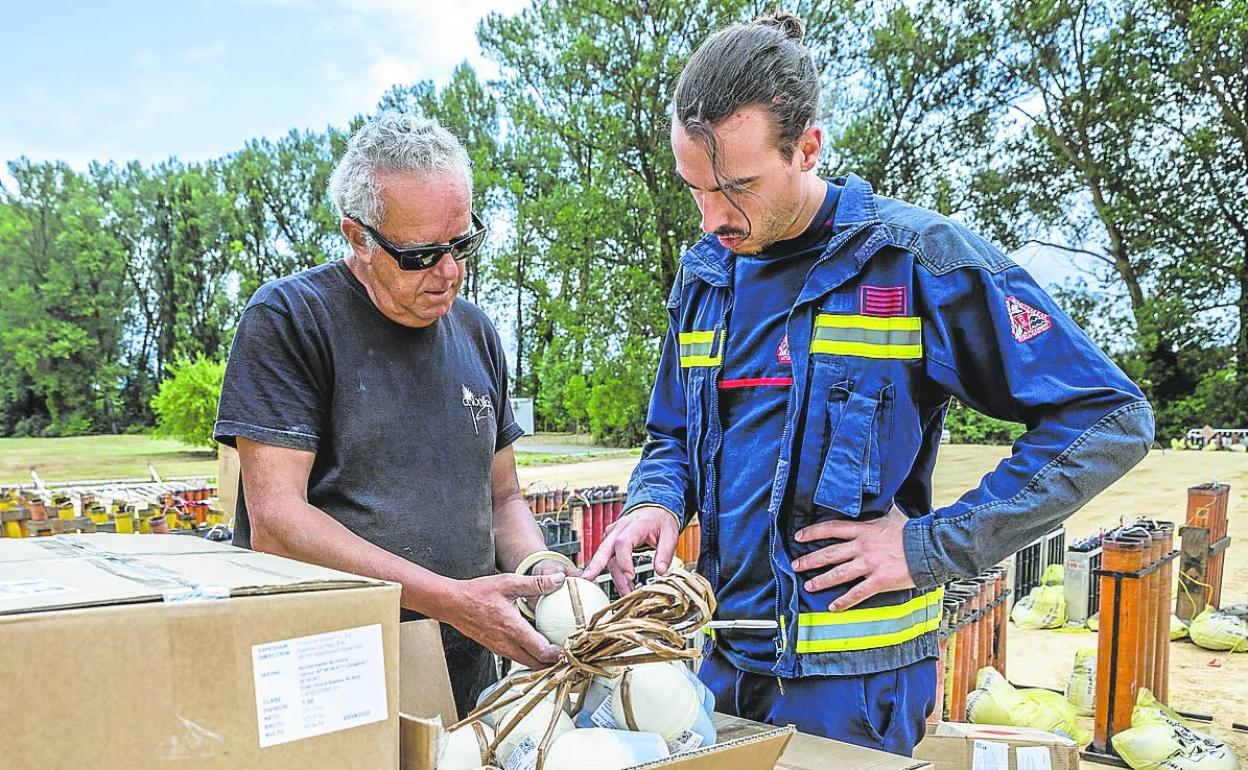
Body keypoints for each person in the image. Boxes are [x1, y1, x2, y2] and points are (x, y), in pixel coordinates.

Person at [584, 12, 1154, 755]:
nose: (715, 216)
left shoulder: (918, 261)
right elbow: (674, 436)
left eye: (740, 187)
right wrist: (655, 502)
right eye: (696, 188)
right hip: (719, 669)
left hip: (855, 690)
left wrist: (927, 546)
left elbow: (1110, 418)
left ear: (808, 147)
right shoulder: (705, 275)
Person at [214, 112, 573, 717]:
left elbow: (503, 499)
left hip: (467, 665)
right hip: (335, 673)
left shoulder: (477, 332)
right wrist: (450, 599)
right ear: (358, 238)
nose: (450, 271)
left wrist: (540, 570)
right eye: (422, 254)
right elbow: (277, 521)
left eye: (462, 244)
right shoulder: (292, 319)